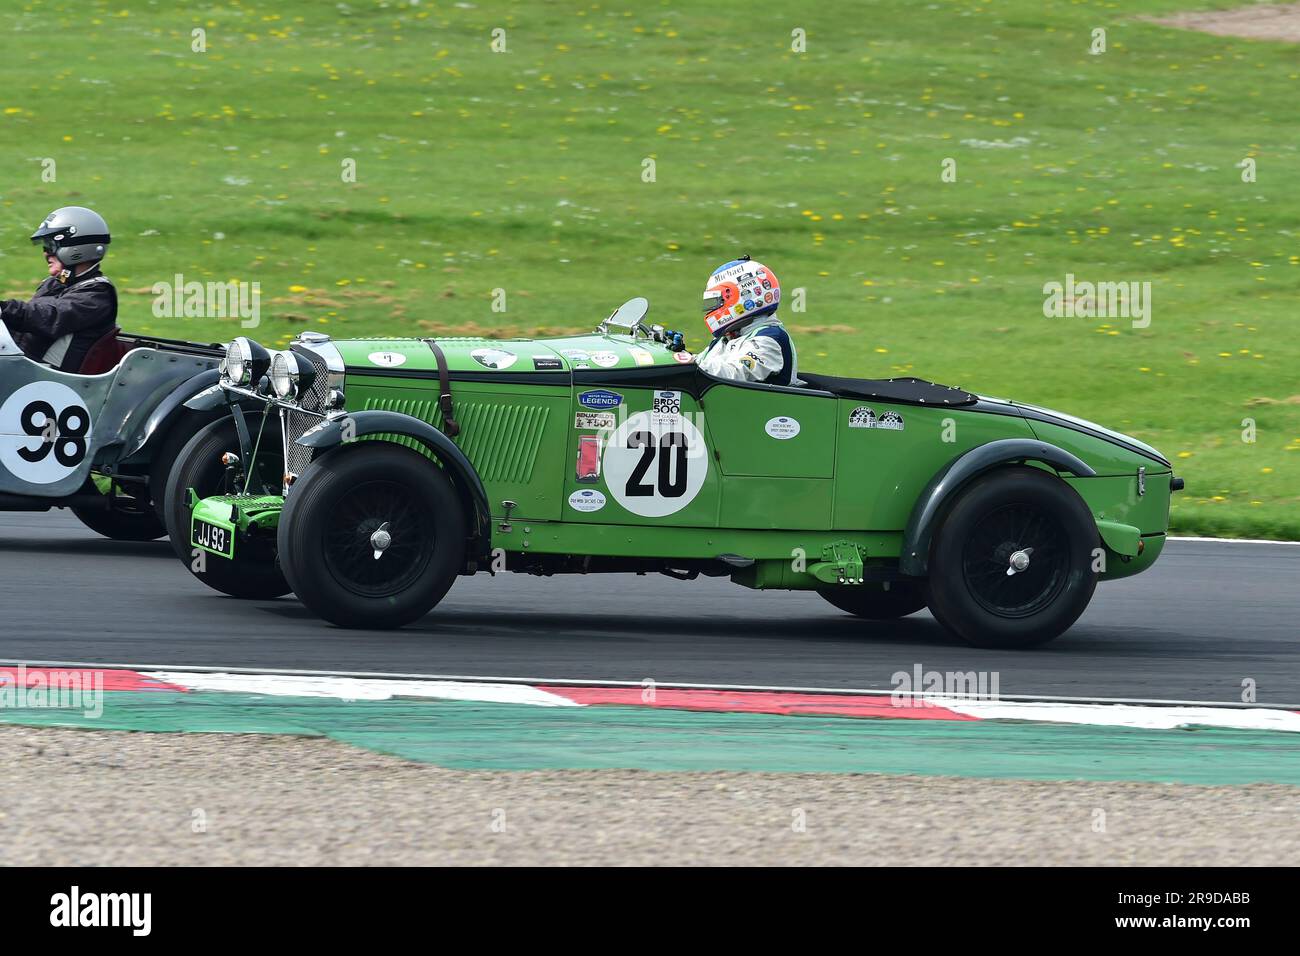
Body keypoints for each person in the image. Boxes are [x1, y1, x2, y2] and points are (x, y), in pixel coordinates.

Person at [0, 206, 117, 372]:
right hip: (25, 372)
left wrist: (5, 308)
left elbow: (50, 317)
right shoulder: (55, 283)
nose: (46, 253)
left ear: (76, 248)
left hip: (49, 381)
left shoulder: (96, 295)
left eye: (51, 246)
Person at [694, 256, 797, 386]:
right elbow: (698, 362)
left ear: (741, 297)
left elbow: (734, 374)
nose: (713, 309)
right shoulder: (727, 338)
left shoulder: (769, 340)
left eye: (717, 302)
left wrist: (689, 364)